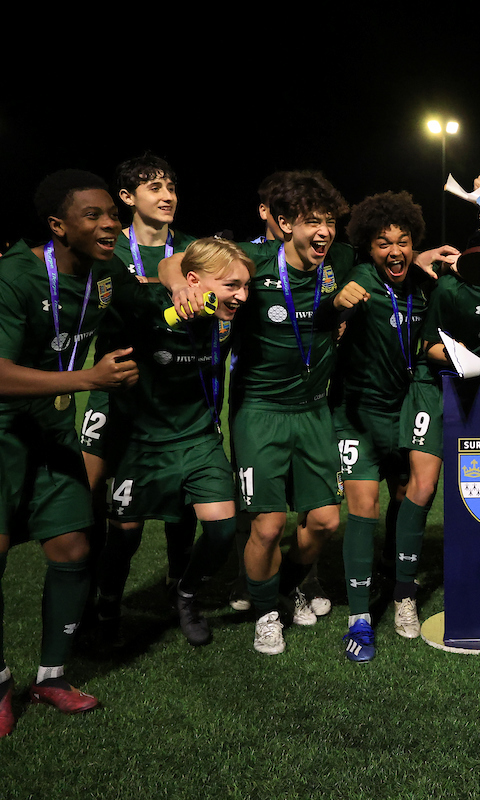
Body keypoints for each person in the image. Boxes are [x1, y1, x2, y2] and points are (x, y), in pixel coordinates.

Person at [164, 171, 350, 655]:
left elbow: (392, 258)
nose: (325, 232)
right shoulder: (255, 261)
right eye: (314, 222)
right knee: (267, 525)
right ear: (286, 224)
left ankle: (282, 588)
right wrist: (178, 286)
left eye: (330, 222)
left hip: (313, 412)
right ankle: (267, 613)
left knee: (327, 522)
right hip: (261, 410)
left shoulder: (341, 262)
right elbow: (179, 265)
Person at [0, 170, 140, 735]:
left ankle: (52, 677)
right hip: (4, 428)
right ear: (59, 226)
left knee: (72, 545)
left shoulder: (104, 272)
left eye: (112, 213)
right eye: (93, 215)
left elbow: (151, 287)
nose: (109, 222)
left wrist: (185, 288)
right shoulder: (15, 275)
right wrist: (87, 379)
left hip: (52, 429)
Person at [325, 191, 455, 661]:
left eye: (402, 242)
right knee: (363, 506)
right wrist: (338, 304)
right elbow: (329, 311)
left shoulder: (420, 286)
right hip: (356, 414)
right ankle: (359, 618)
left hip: (404, 410)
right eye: (382, 244)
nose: (394, 252)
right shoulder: (357, 279)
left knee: (410, 495)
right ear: (366, 247)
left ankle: (402, 594)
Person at [103, 238, 251, 646]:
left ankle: (185, 595)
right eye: (231, 285)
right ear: (192, 281)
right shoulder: (147, 304)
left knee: (222, 530)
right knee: (124, 537)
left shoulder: (229, 313)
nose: (241, 295)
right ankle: (108, 604)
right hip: (142, 442)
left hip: (199, 438)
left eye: (245, 286)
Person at [87, 153, 200, 640]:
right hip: (121, 397)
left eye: (171, 186)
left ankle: (181, 592)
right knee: (117, 517)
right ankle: (104, 599)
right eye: (154, 187)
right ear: (128, 198)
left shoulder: (194, 249)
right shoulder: (108, 252)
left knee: (182, 509)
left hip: (180, 395)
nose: (168, 195)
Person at [388, 221, 480, 640]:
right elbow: (428, 347)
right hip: (436, 389)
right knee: (422, 487)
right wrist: (471, 361)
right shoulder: (449, 288)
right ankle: (404, 591)